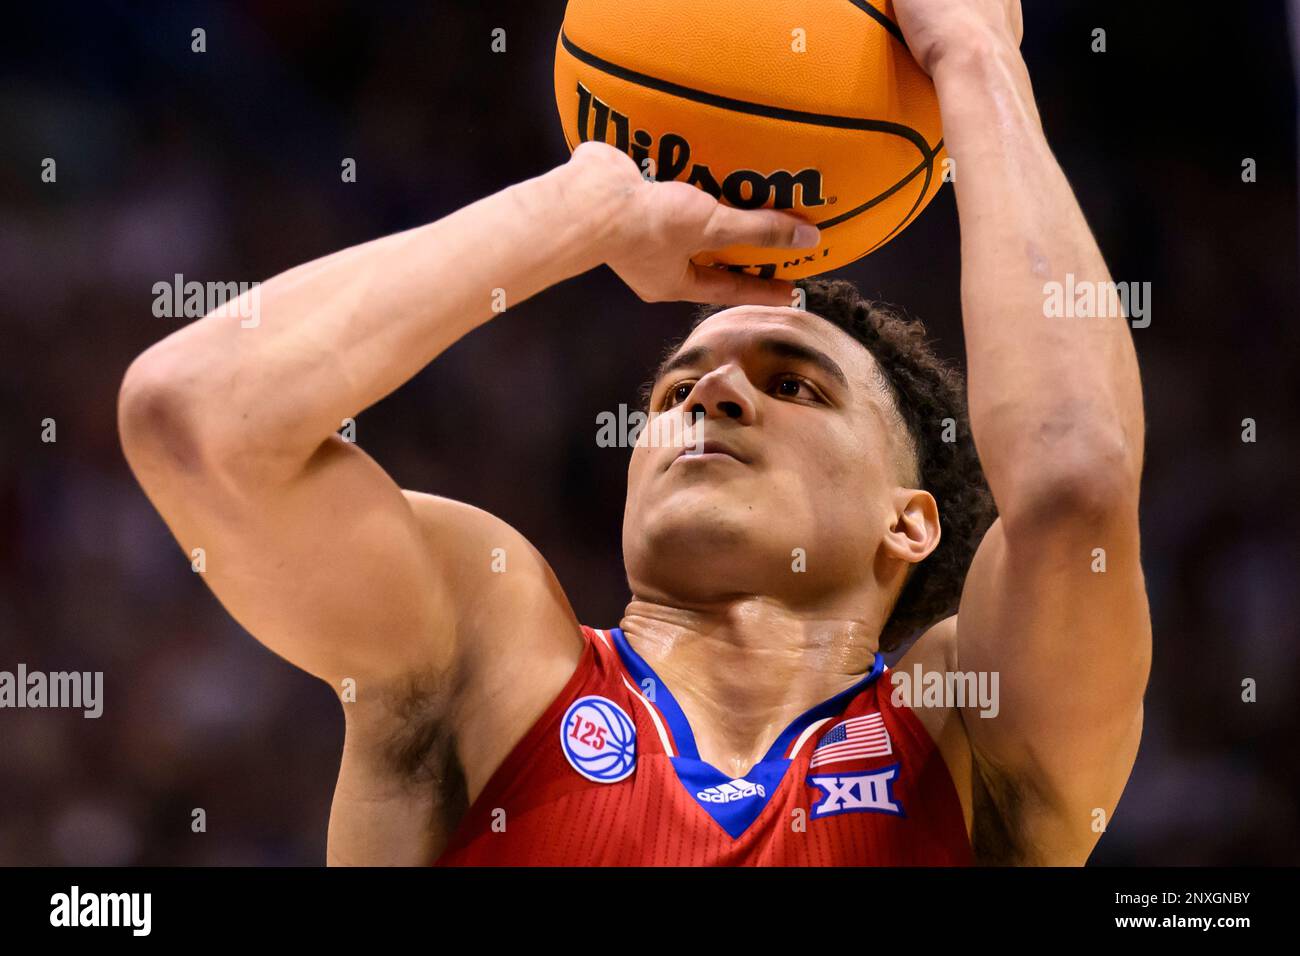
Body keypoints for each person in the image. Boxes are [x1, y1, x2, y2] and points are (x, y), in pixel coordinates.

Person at [118, 0, 1150, 865]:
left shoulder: (961, 727)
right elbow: (195, 417)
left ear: (910, 521)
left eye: (795, 385)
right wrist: (586, 206)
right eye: (675, 390)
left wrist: (974, 55)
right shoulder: (490, 651)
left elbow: (1077, 479)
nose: (712, 396)